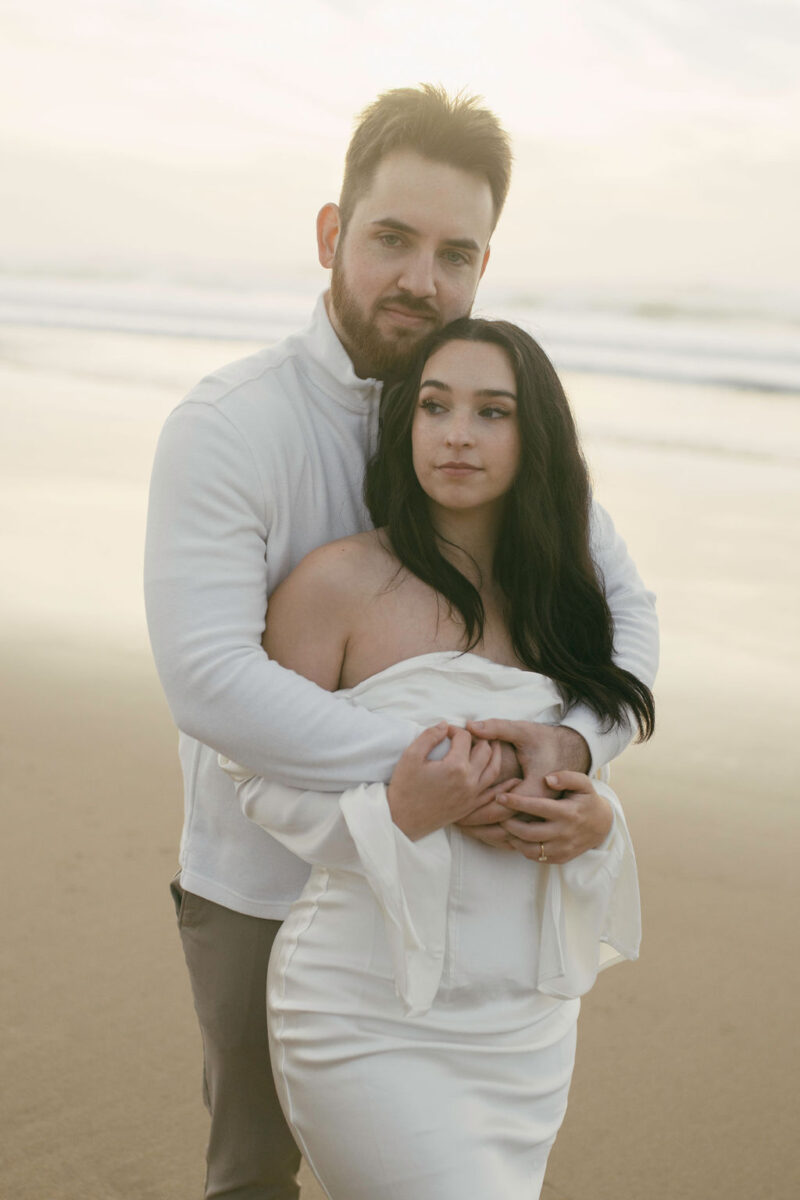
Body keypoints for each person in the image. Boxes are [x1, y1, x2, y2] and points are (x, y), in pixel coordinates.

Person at [144, 86, 659, 1200]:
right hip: (264, 882)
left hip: (471, 928)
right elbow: (210, 679)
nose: (421, 278)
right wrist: (438, 770)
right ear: (332, 235)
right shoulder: (232, 426)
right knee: (252, 1177)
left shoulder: (488, 416)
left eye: (453, 252)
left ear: (481, 265)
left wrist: (564, 752)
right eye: (390, 239)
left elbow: (624, 621)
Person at [221, 318, 654, 1199]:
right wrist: (401, 811)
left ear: (535, 437)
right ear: (405, 426)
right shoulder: (334, 584)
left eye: (492, 411)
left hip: (525, 1028)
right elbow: (260, 780)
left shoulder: (564, 603)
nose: (457, 432)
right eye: (434, 406)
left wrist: (596, 817)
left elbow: (589, 758)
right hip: (366, 1011)